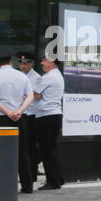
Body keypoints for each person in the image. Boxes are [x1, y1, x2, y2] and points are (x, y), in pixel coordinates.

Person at [0, 54, 36, 193]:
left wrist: (7, 111)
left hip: (1, 117)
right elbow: (30, 95)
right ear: (11, 61)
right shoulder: (22, 76)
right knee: (23, 152)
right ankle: (27, 186)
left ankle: (4, 185)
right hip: (20, 117)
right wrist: (19, 110)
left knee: (2, 152)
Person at [32, 56, 66, 190]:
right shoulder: (57, 76)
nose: (42, 63)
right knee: (51, 149)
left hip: (46, 116)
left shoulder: (48, 77)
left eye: (44, 61)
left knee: (47, 150)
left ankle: (53, 181)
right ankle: (58, 178)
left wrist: (33, 93)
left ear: (52, 62)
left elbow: (35, 94)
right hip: (54, 115)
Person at [16, 53, 43, 178]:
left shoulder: (36, 78)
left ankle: (32, 172)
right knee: (22, 144)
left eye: (26, 63)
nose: (23, 66)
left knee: (31, 145)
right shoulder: (17, 76)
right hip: (20, 113)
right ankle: (25, 171)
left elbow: (38, 96)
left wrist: (27, 94)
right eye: (21, 63)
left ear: (31, 64)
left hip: (31, 114)